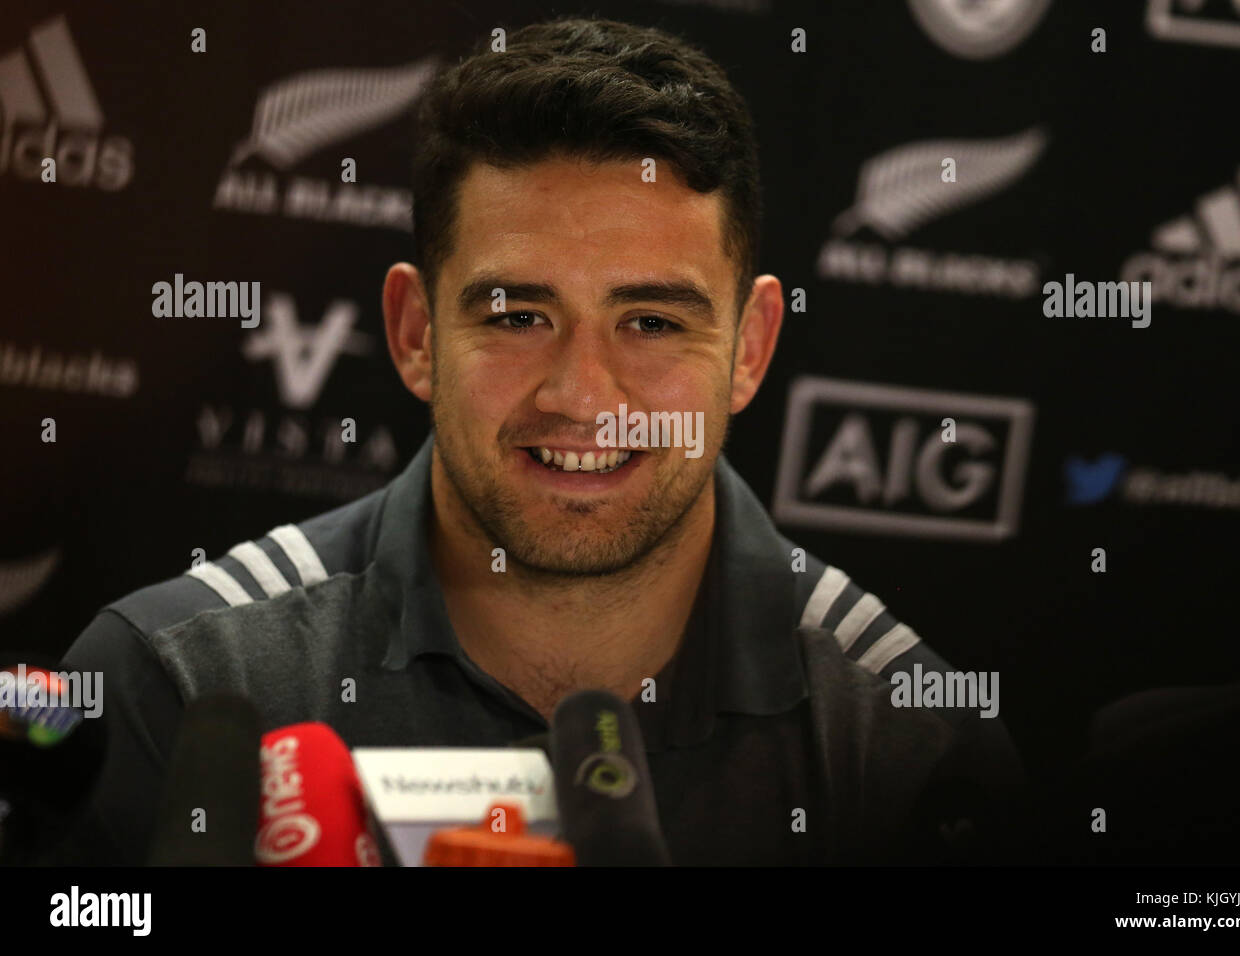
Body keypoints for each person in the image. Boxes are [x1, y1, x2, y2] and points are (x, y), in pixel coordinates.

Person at [59, 16, 1023, 865]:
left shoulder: (908, 742)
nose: (583, 395)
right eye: (519, 316)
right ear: (414, 334)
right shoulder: (172, 680)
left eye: (651, 322)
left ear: (750, 347)